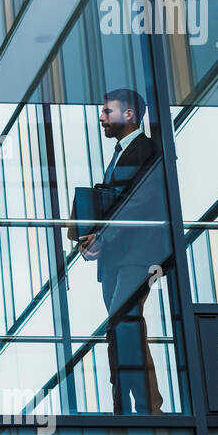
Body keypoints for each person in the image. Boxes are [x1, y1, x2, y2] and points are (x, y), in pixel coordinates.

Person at [76, 88, 167, 414]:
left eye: (107, 111)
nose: (102, 117)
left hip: (136, 255)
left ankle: (144, 409)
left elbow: (138, 203)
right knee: (119, 330)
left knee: (124, 324)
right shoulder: (120, 154)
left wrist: (104, 236)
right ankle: (129, 408)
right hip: (118, 259)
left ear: (129, 115)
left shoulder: (145, 148)